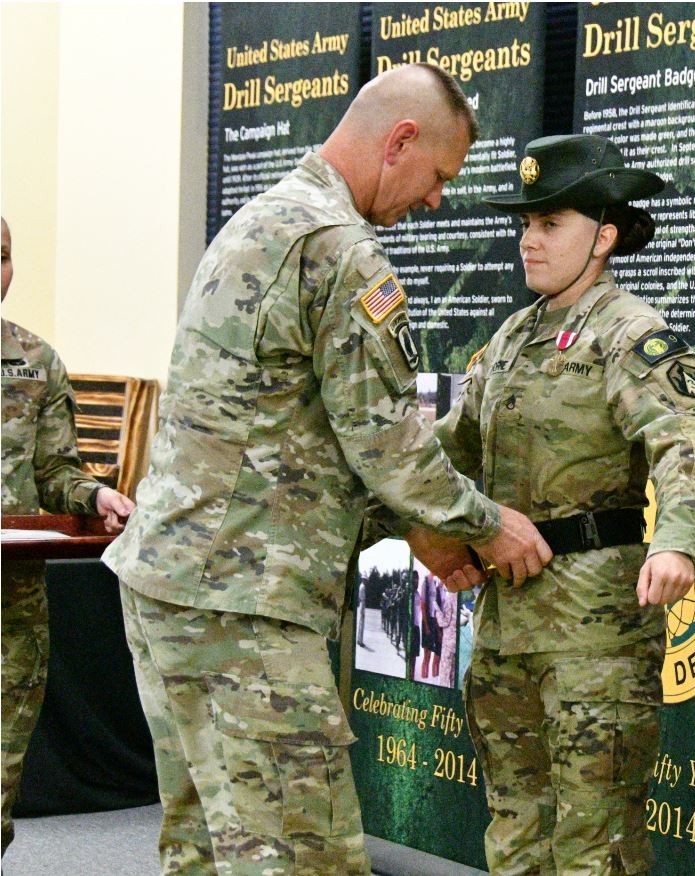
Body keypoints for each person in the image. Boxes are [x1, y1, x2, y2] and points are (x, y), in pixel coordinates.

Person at [102, 65, 552, 874]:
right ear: (400, 142)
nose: (435, 201)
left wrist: (416, 528)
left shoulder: (267, 215)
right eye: (439, 177)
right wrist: (489, 525)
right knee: (303, 855)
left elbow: (294, 442)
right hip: (246, 606)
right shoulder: (340, 249)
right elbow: (389, 448)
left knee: (208, 849)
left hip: (173, 588)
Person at [431, 133, 695, 873]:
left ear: (601, 237)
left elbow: (686, 444)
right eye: (525, 225)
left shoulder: (632, 334)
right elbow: (444, 454)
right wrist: (396, 518)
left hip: (594, 633)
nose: (529, 242)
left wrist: (678, 539)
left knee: (595, 846)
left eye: (550, 224)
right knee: (514, 831)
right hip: (508, 622)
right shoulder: (510, 339)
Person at [0, 216, 136, 853]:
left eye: (2, 256)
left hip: (12, 602)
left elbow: (55, 471)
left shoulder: (36, 361)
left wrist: (96, 495)